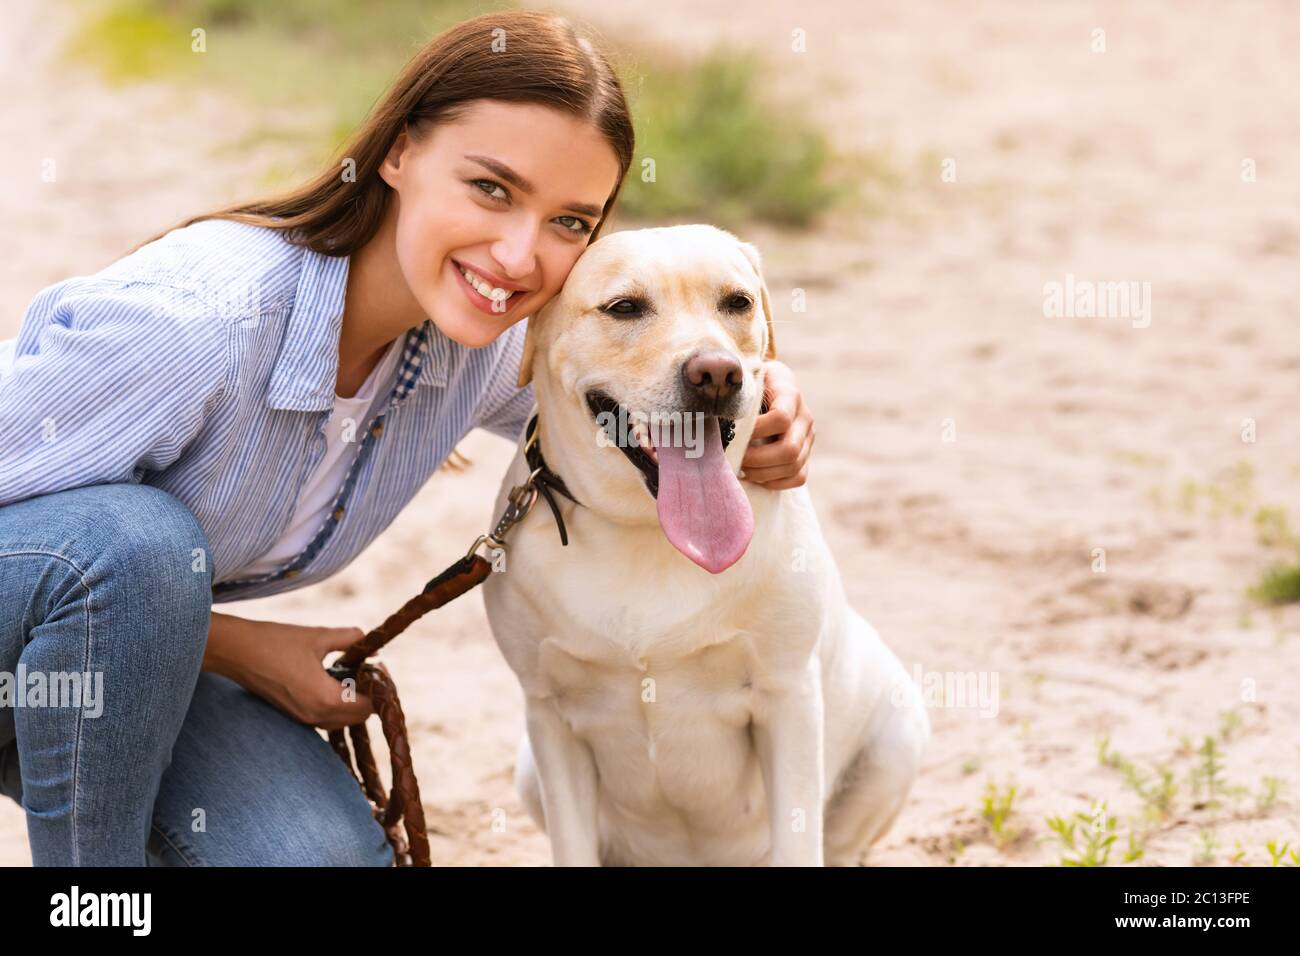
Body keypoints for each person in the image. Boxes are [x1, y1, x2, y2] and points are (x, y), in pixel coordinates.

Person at [0, 9, 816, 866]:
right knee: (141, 547)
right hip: (64, 615)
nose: (516, 254)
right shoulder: (199, 324)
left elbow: (609, 391)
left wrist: (762, 394)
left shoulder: (484, 342)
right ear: (397, 153)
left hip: (102, 675)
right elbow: (108, 573)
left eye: (569, 222)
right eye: (491, 189)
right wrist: (243, 649)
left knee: (320, 860)